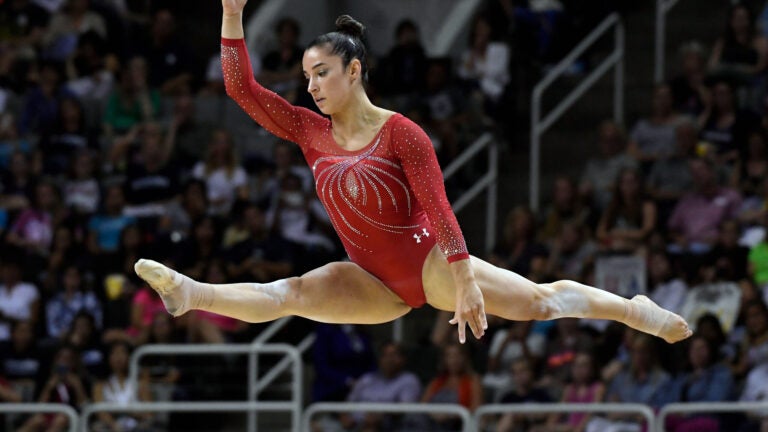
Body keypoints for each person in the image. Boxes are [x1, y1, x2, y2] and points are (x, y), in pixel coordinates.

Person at [133, 0, 691, 350]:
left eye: (321, 73)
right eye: (306, 76)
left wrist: (466, 281)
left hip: (430, 265)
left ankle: (632, 309)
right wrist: (232, 15)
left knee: (540, 304)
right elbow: (240, 89)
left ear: (354, 71)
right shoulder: (308, 130)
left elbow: (439, 206)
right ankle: (191, 293)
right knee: (293, 293)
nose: (311, 86)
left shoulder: (402, 132)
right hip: (370, 279)